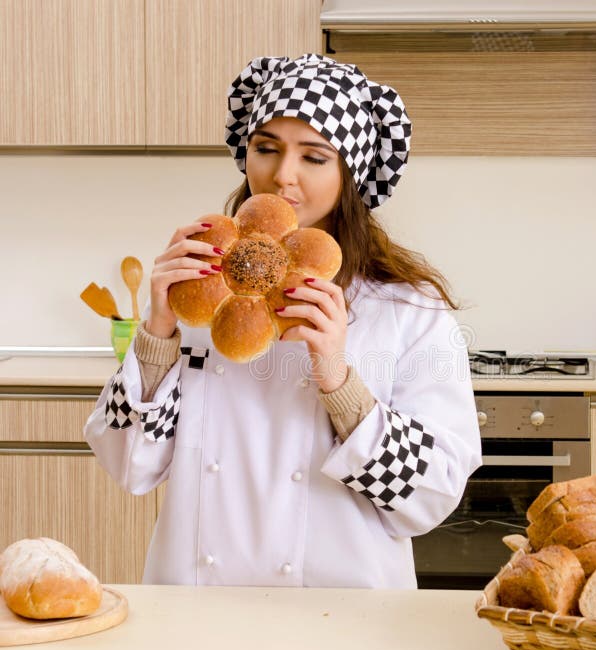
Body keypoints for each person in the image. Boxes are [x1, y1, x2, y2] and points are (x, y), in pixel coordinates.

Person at [85, 54, 482, 588]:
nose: (281, 175)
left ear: (350, 174)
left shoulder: (408, 312)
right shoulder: (198, 292)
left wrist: (339, 383)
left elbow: (430, 500)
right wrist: (158, 332)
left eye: (314, 157)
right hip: (200, 614)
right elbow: (131, 466)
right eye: (265, 148)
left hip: (346, 618)